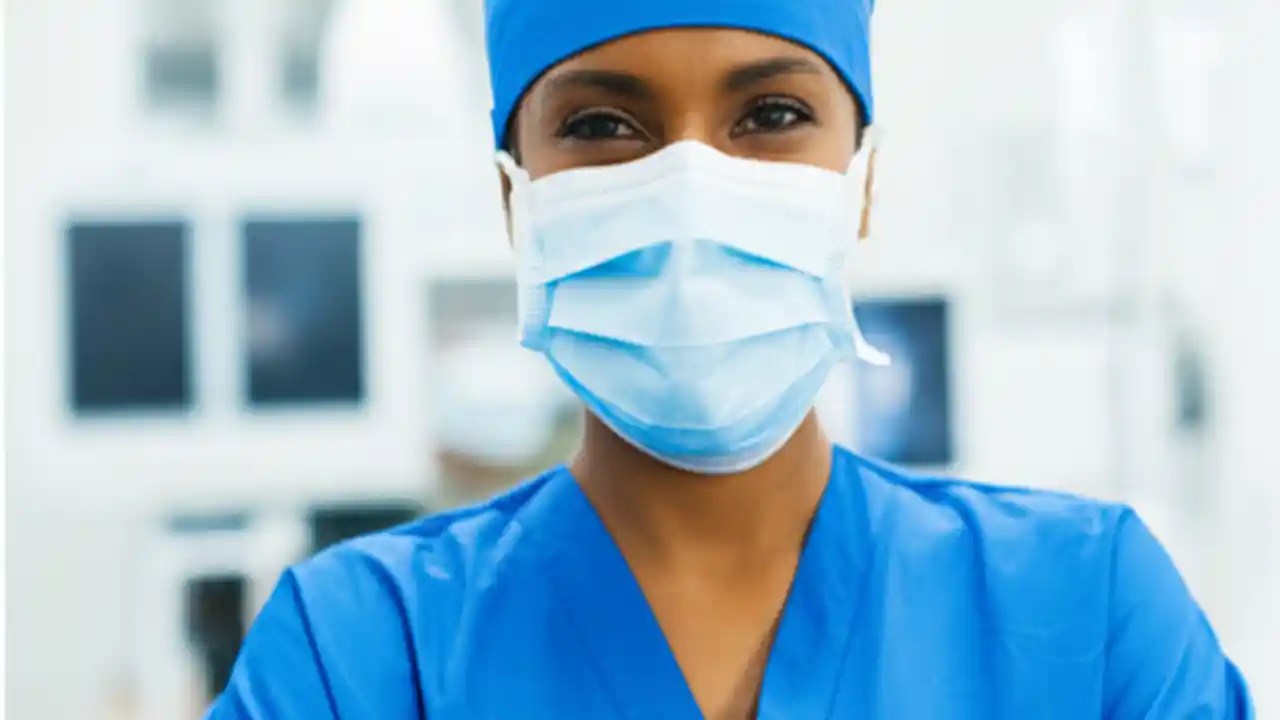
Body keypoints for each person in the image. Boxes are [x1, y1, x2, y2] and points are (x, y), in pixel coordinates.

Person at [208, 1, 1253, 718]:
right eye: (605, 124)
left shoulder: (1083, 615)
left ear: (862, 180)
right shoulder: (359, 659)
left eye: (770, 115)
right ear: (515, 198)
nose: (690, 190)